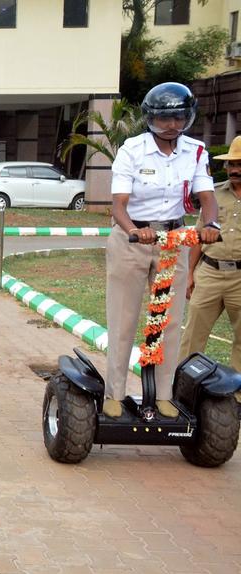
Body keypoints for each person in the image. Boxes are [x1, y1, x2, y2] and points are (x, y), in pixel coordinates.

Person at [106, 82, 219, 418]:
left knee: (169, 321)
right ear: (151, 118)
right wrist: (133, 231)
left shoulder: (196, 151)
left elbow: (207, 198)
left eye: (180, 117)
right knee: (123, 318)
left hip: (174, 240)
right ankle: (114, 393)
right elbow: (118, 205)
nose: (173, 124)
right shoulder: (132, 150)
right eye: (166, 118)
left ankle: (164, 395)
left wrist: (210, 226)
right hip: (133, 239)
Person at [179, 134, 241, 399]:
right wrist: (190, 274)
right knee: (192, 336)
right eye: (231, 164)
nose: (235, 169)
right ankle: (181, 389)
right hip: (210, 272)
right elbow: (197, 236)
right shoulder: (214, 194)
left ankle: (236, 398)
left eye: (240, 164)